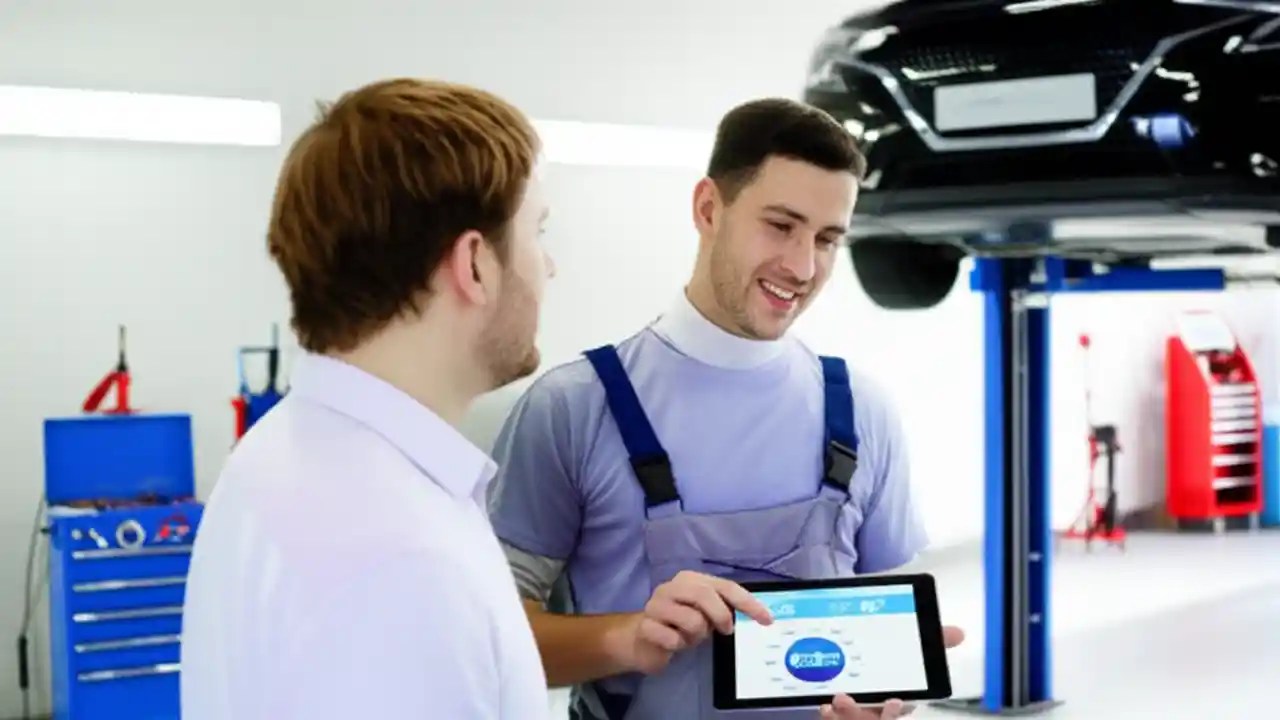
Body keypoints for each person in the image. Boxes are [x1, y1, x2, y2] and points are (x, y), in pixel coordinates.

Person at [486, 97, 963, 720]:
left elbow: (881, 644)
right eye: (781, 226)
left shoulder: (864, 413)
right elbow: (488, 639)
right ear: (708, 208)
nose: (803, 266)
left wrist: (887, 698)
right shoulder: (572, 409)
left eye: (827, 239)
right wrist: (626, 637)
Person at [180, 78, 556, 720]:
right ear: (474, 264)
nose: (549, 267)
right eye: (537, 233)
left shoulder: (285, 451)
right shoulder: (403, 560)